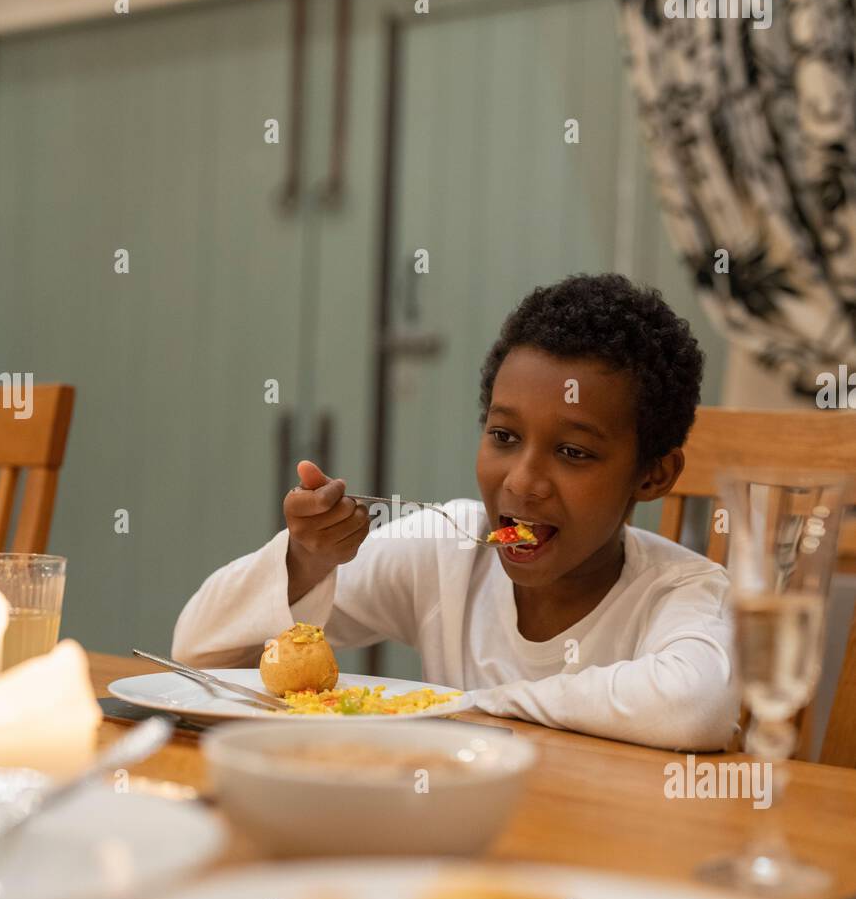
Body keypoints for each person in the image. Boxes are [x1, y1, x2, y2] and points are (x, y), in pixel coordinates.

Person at [173, 273, 738, 750]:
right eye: (504, 435)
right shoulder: (446, 551)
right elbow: (201, 651)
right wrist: (305, 560)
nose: (521, 480)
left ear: (653, 474)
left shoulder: (686, 591)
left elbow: (694, 706)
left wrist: (462, 706)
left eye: (573, 452)